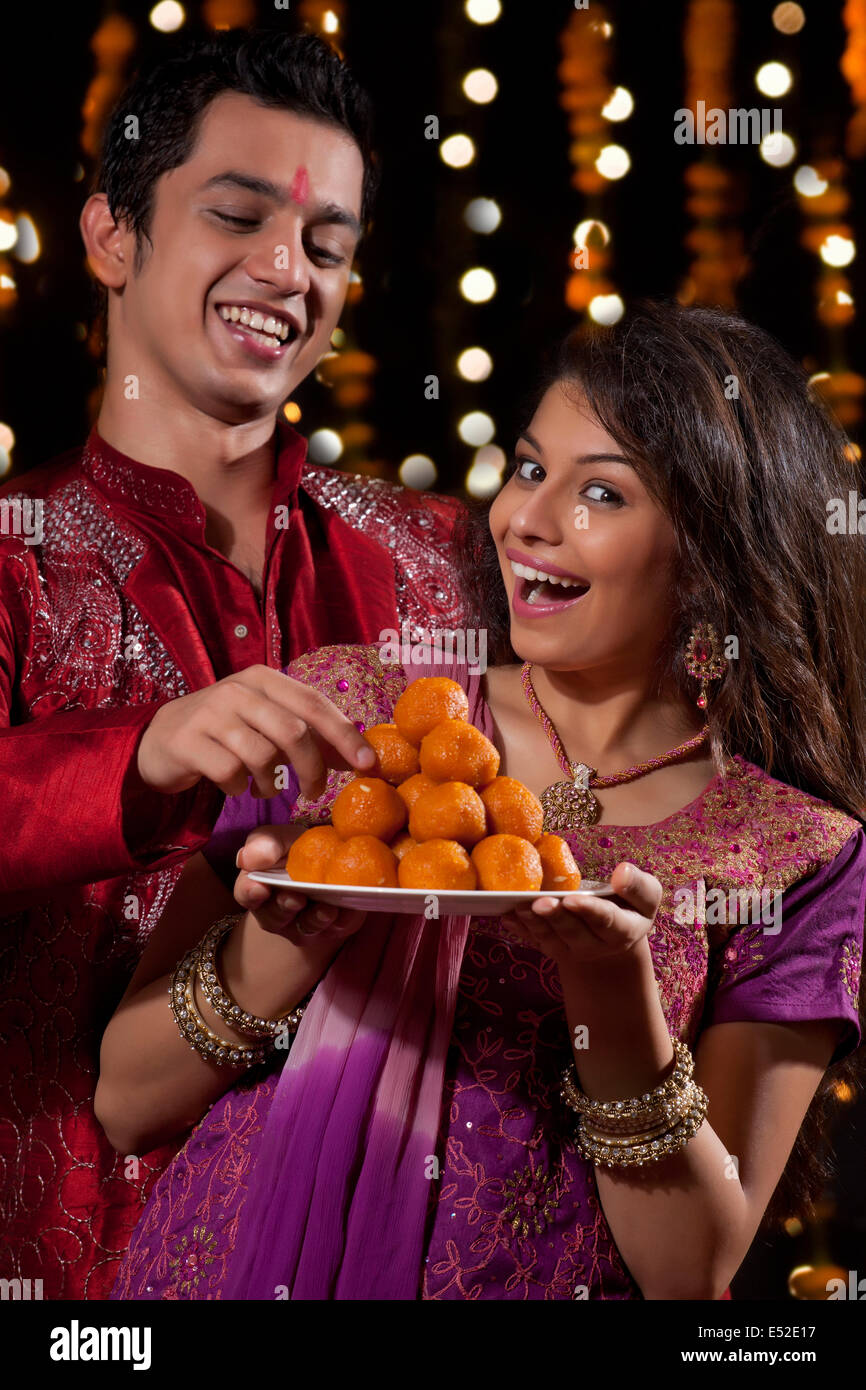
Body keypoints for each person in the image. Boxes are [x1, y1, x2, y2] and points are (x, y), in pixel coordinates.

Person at [101, 301, 866, 1300]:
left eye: (600, 492)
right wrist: (294, 936)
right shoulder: (357, 723)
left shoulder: (795, 851)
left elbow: (688, 1269)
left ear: (716, 551)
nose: (525, 519)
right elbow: (126, 1101)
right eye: (528, 467)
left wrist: (608, 988)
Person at [0, 29, 467, 1299]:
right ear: (109, 237)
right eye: (237, 214)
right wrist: (136, 752)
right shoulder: (14, 557)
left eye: (326, 243)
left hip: (379, 1252)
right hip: (75, 1267)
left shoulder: (428, 566)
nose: (285, 270)